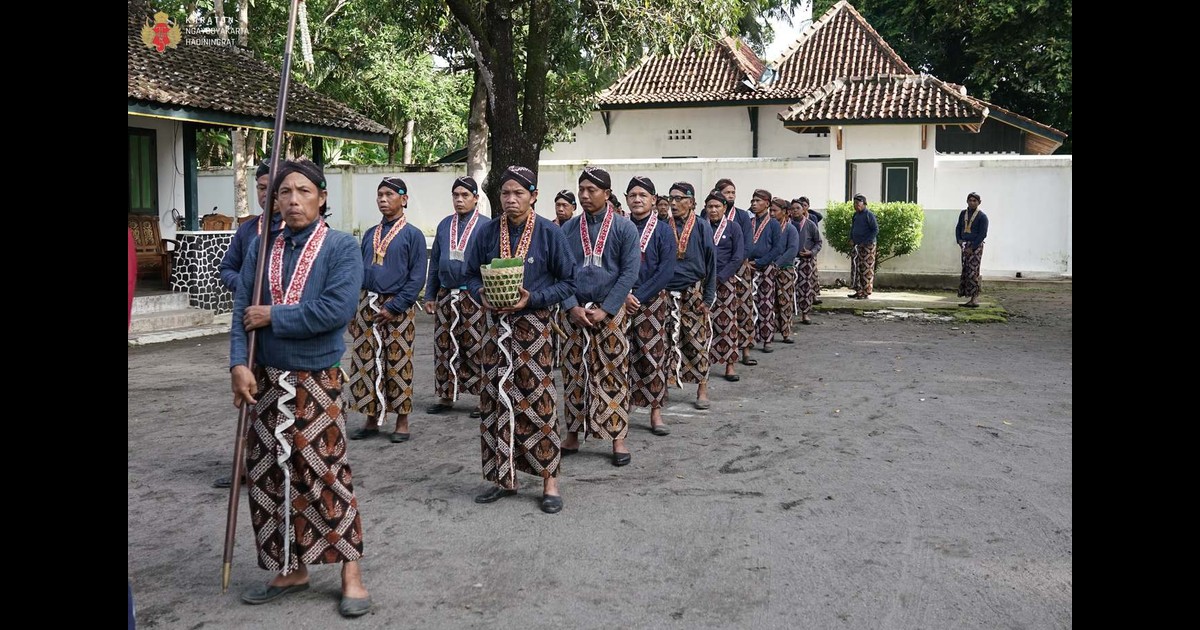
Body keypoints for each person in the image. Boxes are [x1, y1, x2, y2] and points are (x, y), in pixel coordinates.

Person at [228, 158, 371, 618]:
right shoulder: (261, 246)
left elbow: (335, 310)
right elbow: (242, 308)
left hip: (316, 379)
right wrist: (238, 363)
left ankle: (351, 575)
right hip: (265, 379)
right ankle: (290, 569)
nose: (293, 200)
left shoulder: (341, 247)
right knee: (269, 476)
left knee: (326, 474)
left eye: (303, 191)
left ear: (322, 197)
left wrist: (274, 316)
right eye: (284, 192)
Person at [464, 165, 576, 514]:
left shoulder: (549, 233)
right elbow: (470, 275)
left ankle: (550, 482)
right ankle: (504, 478)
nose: (511, 199)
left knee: (539, 402)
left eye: (519, 193)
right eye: (505, 193)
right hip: (495, 330)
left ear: (534, 196)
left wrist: (534, 298)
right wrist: (480, 293)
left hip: (534, 330)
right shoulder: (487, 232)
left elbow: (569, 282)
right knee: (496, 402)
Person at [559, 167, 641, 466]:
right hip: (575, 312)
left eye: (591, 190)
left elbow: (629, 272)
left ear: (606, 193)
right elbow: (559, 271)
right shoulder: (567, 229)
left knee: (613, 371)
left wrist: (607, 308)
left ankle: (618, 437)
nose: (584, 195)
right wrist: (571, 306)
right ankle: (572, 434)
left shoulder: (624, 228)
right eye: (581, 189)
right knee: (573, 372)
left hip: (611, 312)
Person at [214, 161, 282, 489]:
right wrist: (245, 285)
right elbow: (227, 268)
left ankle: (283, 465)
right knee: (249, 395)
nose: (266, 194)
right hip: (250, 322)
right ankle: (247, 463)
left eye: (273, 188)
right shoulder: (247, 230)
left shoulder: (297, 229)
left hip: (281, 327)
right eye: (261, 188)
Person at [346, 177, 426, 443]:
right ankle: (370, 420)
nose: (383, 199)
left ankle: (402, 422)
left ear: (404, 199)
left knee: (398, 364)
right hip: (367, 305)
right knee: (366, 363)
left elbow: (417, 277)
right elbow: (359, 272)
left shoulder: (413, 235)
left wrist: (395, 306)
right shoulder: (370, 233)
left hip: (398, 309)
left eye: (389, 194)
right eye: (379, 194)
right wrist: (353, 311)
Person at [424, 177, 491, 417]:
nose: (459, 200)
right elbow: (435, 263)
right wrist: (430, 294)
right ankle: (445, 396)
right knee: (444, 346)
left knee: (475, 345)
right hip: (445, 295)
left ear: (476, 198)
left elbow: (491, 263)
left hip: (474, 295)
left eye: (465, 195)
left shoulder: (486, 226)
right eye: (456, 195)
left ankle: (483, 398)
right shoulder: (444, 225)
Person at [625, 176, 676, 436]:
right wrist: (624, 294)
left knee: (652, 355)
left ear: (653, 200)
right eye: (632, 195)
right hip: (621, 298)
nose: (637, 199)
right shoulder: (619, 226)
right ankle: (623, 406)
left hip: (652, 300)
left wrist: (639, 295)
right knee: (622, 354)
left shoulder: (664, 230)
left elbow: (666, 271)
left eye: (643, 195)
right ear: (626, 199)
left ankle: (656, 412)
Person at [663, 182, 717, 409]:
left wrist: (708, 298)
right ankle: (664, 387)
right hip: (666, 291)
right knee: (665, 341)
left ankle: (702, 389)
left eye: (679, 199)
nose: (673, 203)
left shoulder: (702, 226)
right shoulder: (663, 226)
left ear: (692, 202)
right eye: (671, 199)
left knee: (697, 341)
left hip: (693, 291)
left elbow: (711, 263)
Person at [714, 178, 756, 366]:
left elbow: (747, 244)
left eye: (733, 192)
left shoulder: (742, 216)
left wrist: (734, 265)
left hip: (740, 270)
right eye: (727, 193)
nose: (731, 196)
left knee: (743, 310)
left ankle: (745, 351)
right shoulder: (707, 214)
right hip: (715, 271)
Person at [704, 191, 745, 383]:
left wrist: (720, 277)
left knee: (727, 323)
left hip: (725, 281)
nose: (713, 210)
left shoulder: (733, 227)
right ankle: (704, 364)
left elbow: (738, 256)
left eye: (717, 206)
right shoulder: (701, 226)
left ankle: (730, 365)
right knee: (704, 323)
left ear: (724, 208)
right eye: (710, 206)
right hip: (703, 281)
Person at [746, 189, 784, 357]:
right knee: (748, 303)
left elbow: (778, 248)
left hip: (766, 267)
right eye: (753, 201)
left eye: (758, 201)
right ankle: (750, 337)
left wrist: (760, 262)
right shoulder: (749, 222)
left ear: (767, 204)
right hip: (748, 267)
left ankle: (767, 339)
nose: (754, 204)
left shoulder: (773, 224)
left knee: (766, 302)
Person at [771, 197, 800, 343]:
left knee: (785, 301)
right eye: (770, 210)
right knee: (769, 302)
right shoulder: (769, 227)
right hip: (768, 268)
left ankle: (786, 332)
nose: (772, 213)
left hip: (785, 270)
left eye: (775, 211)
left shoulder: (790, 229)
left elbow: (792, 250)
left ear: (784, 212)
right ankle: (769, 332)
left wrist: (777, 263)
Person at [792, 198, 823, 325]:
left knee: (805, 287)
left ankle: (805, 313)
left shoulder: (810, 224)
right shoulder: (787, 223)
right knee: (789, 287)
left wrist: (811, 252)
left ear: (803, 209)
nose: (795, 211)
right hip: (789, 260)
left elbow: (818, 242)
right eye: (793, 209)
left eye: (798, 208)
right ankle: (788, 315)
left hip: (805, 260)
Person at [956, 191, 989, 308]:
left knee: (973, 272)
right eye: (970, 200)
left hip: (976, 246)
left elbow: (982, 234)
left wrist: (973, 247)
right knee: (966, 271)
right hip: (965, 245)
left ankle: (974, 298)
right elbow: (958, 228)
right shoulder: (963, 214)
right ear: (967, 201)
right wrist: (959, 241)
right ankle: (969, 297)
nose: (972, 202)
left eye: (974, 201)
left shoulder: (982, 217)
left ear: (979, 202)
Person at [848, 193, 879, 299]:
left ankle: (866, 292)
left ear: (864, 204)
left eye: (858, 203)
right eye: (854, 203)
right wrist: (851, 238)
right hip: (857, 245)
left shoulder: (869, 215)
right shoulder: (855, 215)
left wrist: (866, 241)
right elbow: (853, 228)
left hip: (868, 246)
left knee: (866, 269)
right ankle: (858, 290)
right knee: (856, 268)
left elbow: (875, 230)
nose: (856, 205)